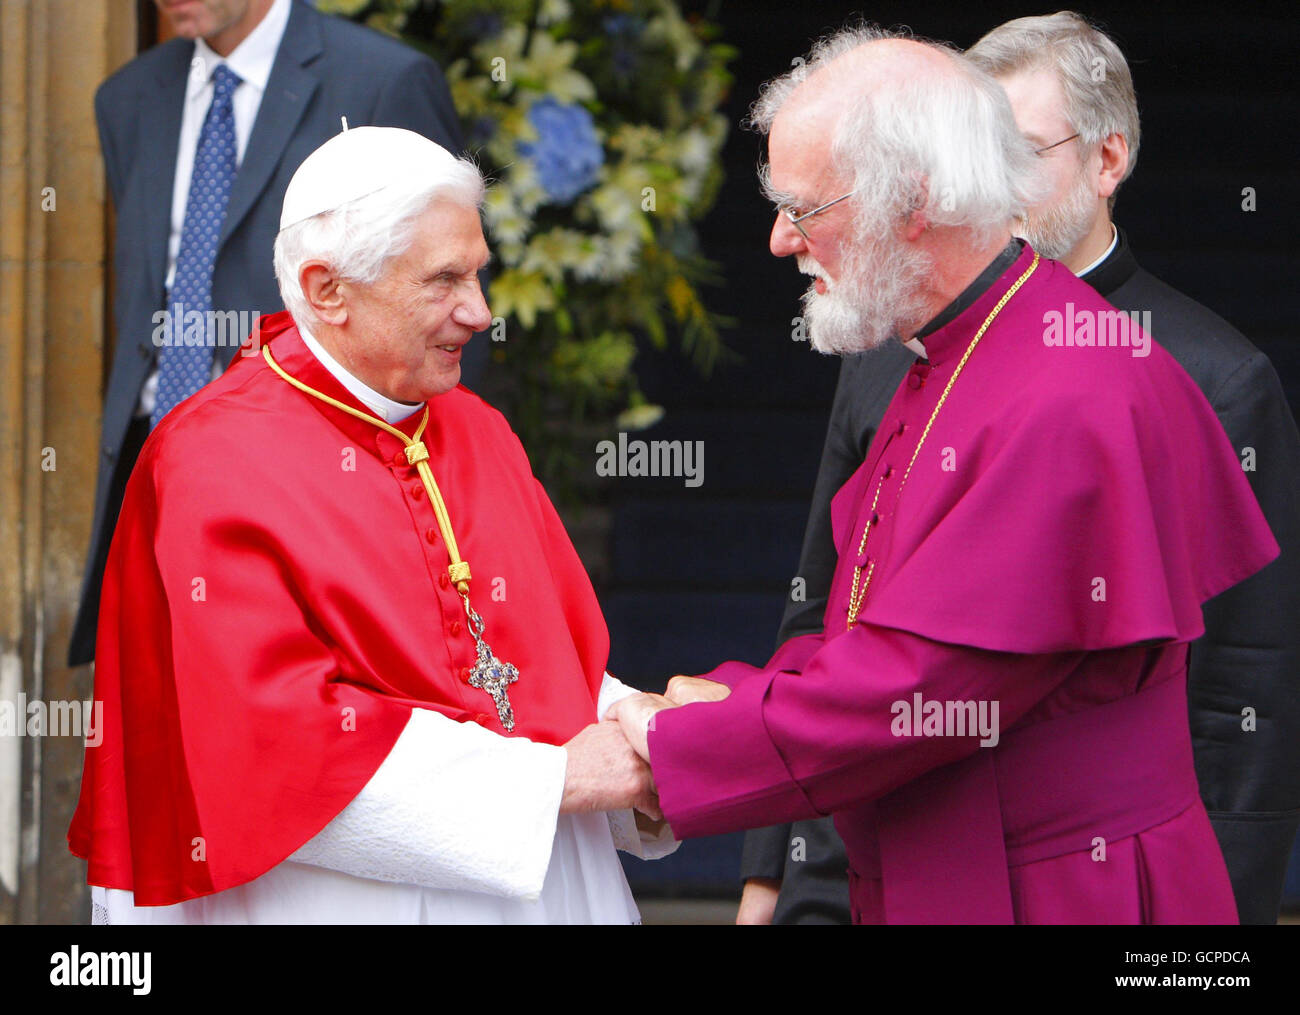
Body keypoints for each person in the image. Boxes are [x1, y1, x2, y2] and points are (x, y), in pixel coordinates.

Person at [607, 26, 1278, 925]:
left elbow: (920, 684)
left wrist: (684, 739)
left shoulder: (1073, 391)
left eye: (803, 208)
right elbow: (872, 621)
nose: (778, 239)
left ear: (913, 200)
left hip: (1072, 893)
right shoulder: (947, 349)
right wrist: (744, 700)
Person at [68, 126, 675, 925]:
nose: (480, 311)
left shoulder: (478, 427)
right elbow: (266, 749)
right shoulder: (209, 460)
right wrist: (556, 780)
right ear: (327, 290)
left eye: (478, 272)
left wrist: (641, 727)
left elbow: (530, 666)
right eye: (444, 279)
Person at [69, 0, 472, 668]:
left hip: (316, 470)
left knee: (285, 698)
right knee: (160, 695)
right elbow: (147, 289)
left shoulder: (383, 80)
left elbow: (444, 286)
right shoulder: (128, 96)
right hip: (153, 453)